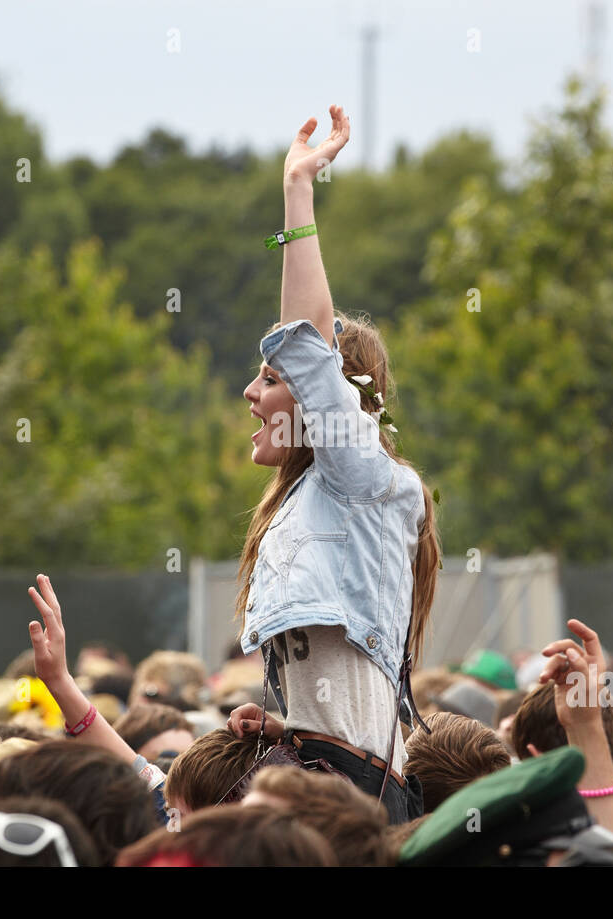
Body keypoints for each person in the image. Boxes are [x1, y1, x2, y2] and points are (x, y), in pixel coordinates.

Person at [223, 104, 442, 825]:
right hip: (323, 783)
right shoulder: (312, 499)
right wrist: (277, 726)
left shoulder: (364, 479)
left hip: (354, 796)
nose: (253, 393)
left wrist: (297, 193)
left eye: (270, 378)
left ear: (327, 399)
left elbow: (305, 343)